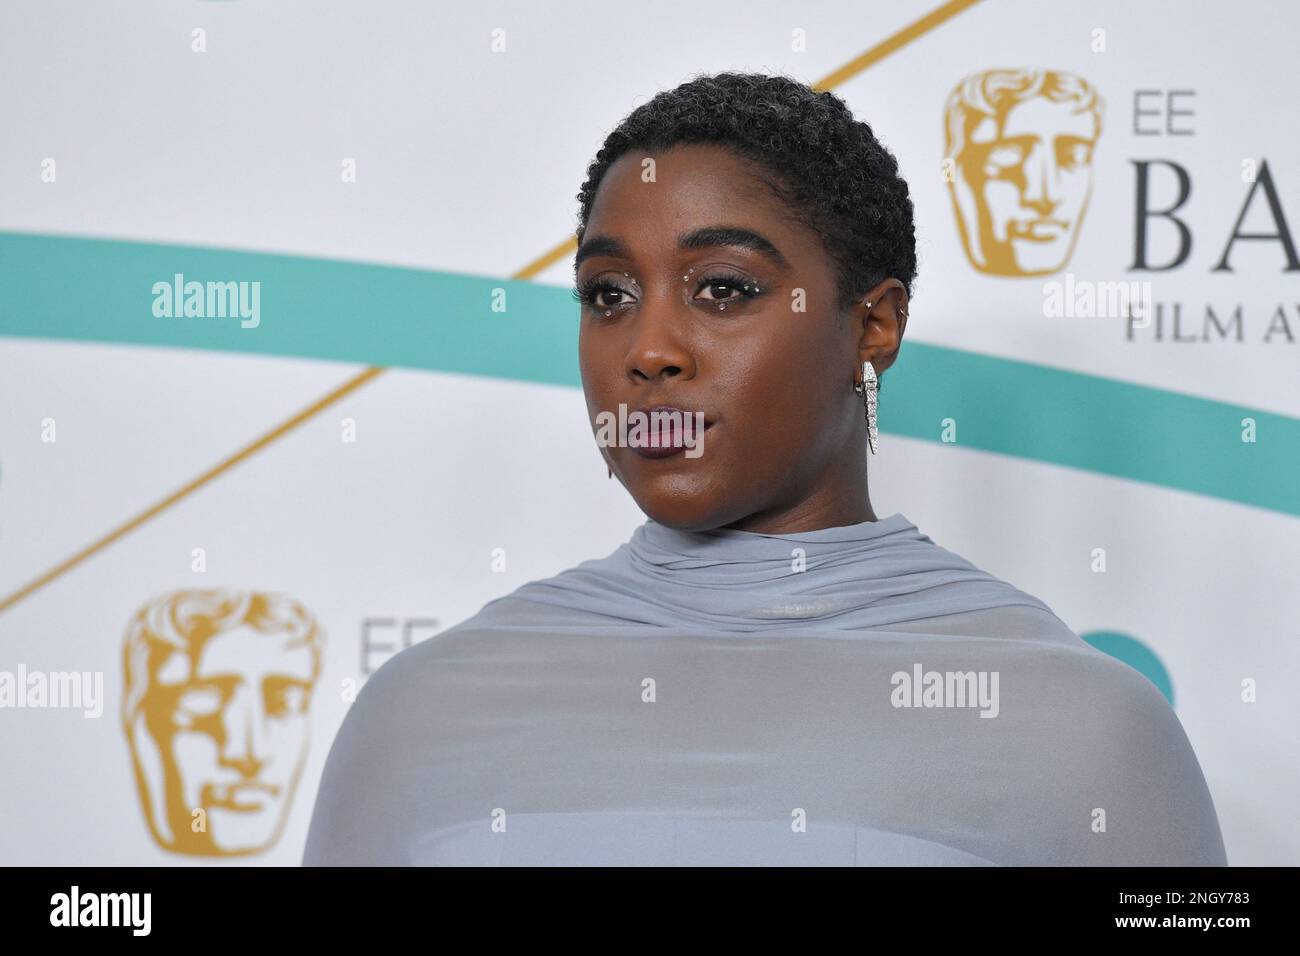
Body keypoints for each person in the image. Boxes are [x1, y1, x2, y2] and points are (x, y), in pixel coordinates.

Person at [302, 72, 1227, 866]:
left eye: (724, 290)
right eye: (608, 295)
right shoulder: (418, 717)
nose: (650, 350)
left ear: (875, 325)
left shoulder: (1083, 729)